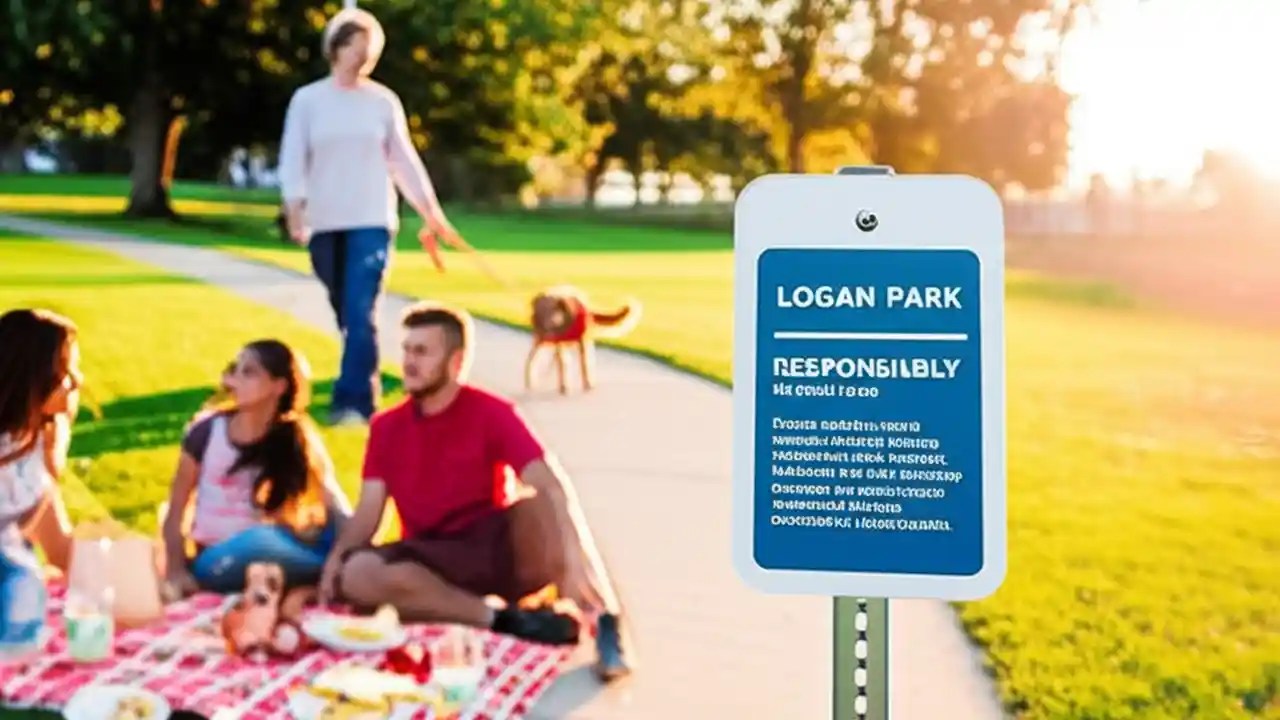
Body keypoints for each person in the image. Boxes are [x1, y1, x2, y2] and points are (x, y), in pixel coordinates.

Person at [318, 302, 632, 679]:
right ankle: (504, 620)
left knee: (547, 506)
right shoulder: (387, 427)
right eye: (407, 350)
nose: (409, 362)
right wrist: (338, 557)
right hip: (429, 559)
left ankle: (606, 624)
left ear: (455, 362)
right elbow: (369, 513)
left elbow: (550, 482)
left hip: (495, 547)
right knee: (358, 573)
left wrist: (573, 557)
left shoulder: (493, 412)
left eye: (422, 351)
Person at [277, 7, 465, 425]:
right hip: (325, 222)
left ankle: (354, 404)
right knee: (348, 314)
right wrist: (295, 209)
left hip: (372, 221)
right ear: (337, 48)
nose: (364, 61)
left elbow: (404, 161)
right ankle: (368, 379)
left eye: (371, 54)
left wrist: (431, 213)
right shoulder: (309, 100)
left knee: (361, 310)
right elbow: (292, 158)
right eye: (358, 51)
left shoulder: (382, 102)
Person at [162, 340, 353, 596]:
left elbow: (333, 500)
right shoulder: (207, 432)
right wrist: (176, 569)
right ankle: (333, 572)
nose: (235, 380)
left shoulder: (293, 435)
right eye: (235, 370)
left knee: (336, 527)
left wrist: (352, 540)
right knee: (260, 540)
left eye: (249, 372)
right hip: (216, 560)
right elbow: (175, 512)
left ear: (279, 386)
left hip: (270, 551)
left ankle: (343, 568)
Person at [0, 309, 80, 654]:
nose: (75, 382)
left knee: (26, 586)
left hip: (11, 564)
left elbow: (58, 544)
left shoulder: (36, 443)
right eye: (65, 372)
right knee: (24, 583)